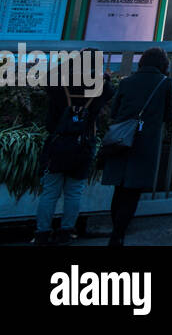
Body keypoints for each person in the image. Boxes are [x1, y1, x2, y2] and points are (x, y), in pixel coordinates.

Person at [35, 51, 113, 245]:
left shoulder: (58, 84)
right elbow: (112, 92)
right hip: (84, 144)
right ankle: (66, 231)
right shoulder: (100, 87)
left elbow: (45, 77)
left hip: (58, 143)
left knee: (50, 191)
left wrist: (69, 64)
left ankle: (42, 233)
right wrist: (105, 77)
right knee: (74, 191)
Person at [101, 46, 172, 246]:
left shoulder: (127, 82)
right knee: (133, 191)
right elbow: (170, 115)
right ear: (163, 64)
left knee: (119, 187)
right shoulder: (165, 82)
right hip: (145, 141)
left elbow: (114, 111)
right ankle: (119, 233)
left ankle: (115, 230)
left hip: (121, 139)